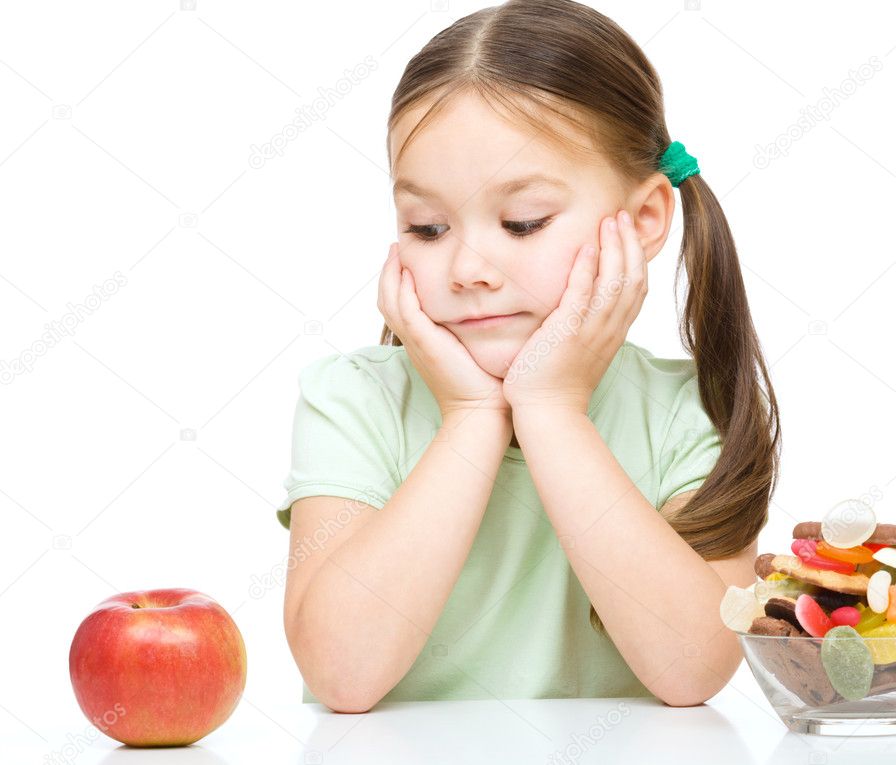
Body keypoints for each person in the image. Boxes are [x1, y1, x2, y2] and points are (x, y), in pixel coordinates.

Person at [279, 0, 781, 712]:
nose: (467, 269)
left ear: (643, 220)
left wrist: (552, 409)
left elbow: (692, 670)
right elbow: (342, 674)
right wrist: (469, 416)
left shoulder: (684, 414)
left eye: (522, 222)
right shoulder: (353, 399)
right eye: (427, 227)